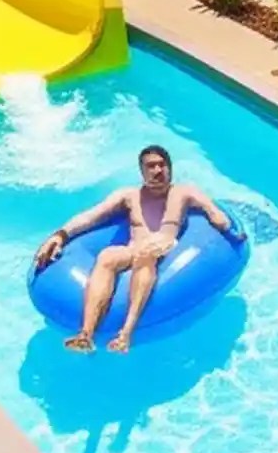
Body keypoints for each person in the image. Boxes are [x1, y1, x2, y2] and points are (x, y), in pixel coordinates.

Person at [32, 145, 242, 354]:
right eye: (151, 166)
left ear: (170, 168)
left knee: (146, 254)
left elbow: (215, 214)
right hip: (133, 248)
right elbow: (91, 216)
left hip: (163, 247)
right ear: (142, 172)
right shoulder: (129, 196)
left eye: (162, 165)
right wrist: (60, 235)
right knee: (106, 256)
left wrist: (229, 229)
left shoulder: (183, 192)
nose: (158, 170)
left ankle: (125, 334)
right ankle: (85, 334)